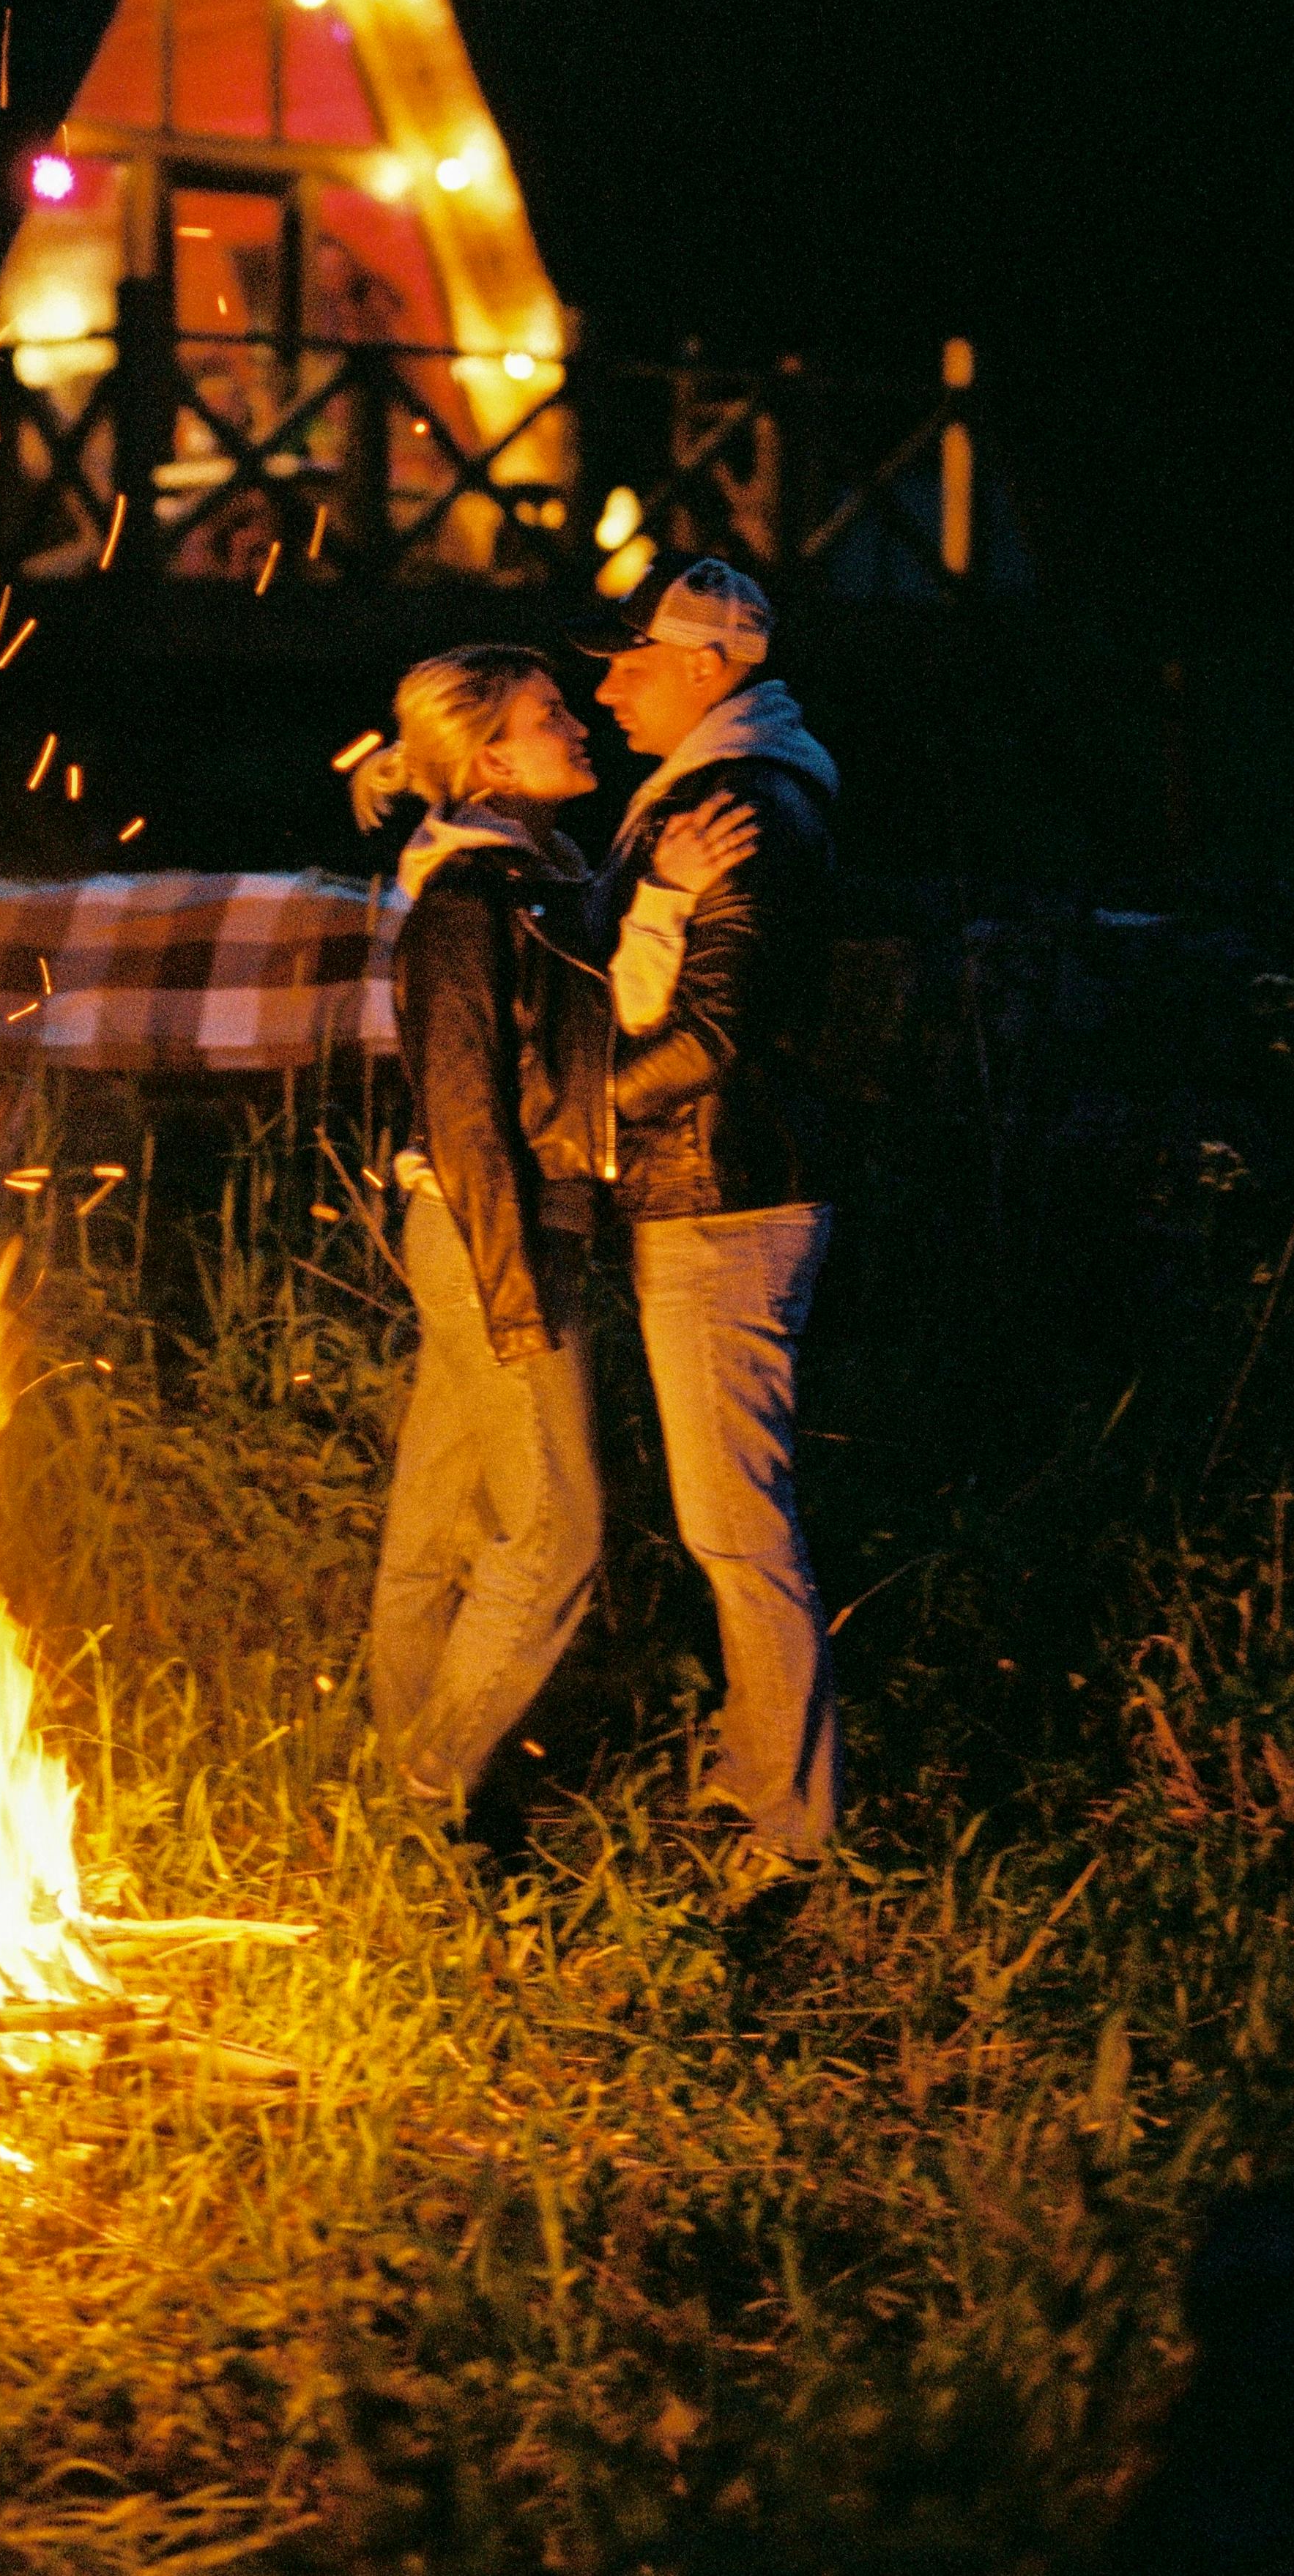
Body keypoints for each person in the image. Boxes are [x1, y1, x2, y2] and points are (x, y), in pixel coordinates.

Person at [346, 645, 751, 1813]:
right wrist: (517, 1291)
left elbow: (584, 1011)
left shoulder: (523, 879)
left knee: (437, 1520)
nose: (577, 726)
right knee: (556, 1538)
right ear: (487, 756)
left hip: (477, 1229)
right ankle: (426, 1789)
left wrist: (660, 890)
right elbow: (467, 1110)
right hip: (494, 1232)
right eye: (549, 714)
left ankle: (393, 1784)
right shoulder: (470, 901)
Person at [576, 557, 844, 1882]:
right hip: (714, 1187)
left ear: (705, 665)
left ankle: (784, 1830)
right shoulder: (722, 790)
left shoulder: (738, 800)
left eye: (628, 660)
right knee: (725, 1516)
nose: (606, 684)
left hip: (722, 1193)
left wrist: (569, 1117)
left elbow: (718, 1031)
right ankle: (755, 1782)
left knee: (736, 1520)